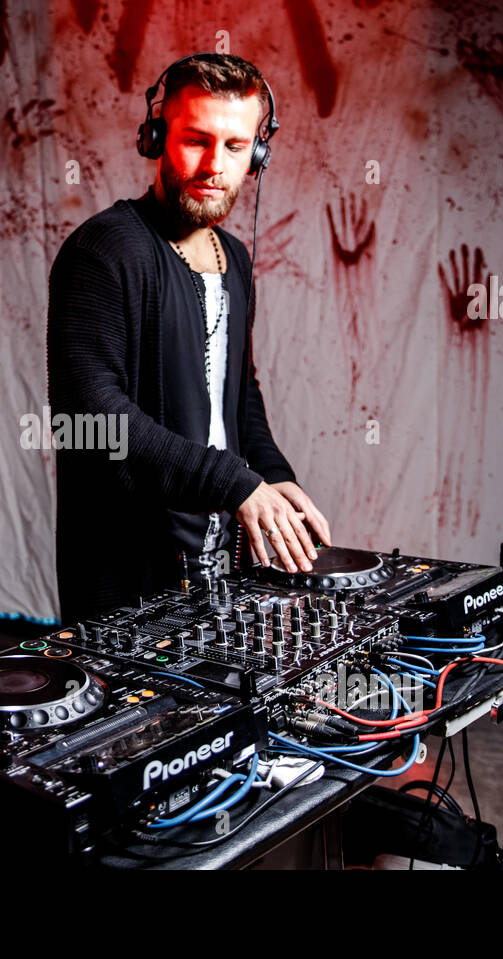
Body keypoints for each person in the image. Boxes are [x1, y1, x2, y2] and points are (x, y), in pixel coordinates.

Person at [47, 53, 331, 625]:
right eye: (196, 140)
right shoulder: (103, 253)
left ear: (258, 153)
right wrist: (234, 482)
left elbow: (237, 394)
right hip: (127, 576)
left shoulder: (236, 259)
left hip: (219, 557)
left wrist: (273, 476)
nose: (214, 166)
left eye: (234, 146)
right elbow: (92, 419)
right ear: (156, 138)